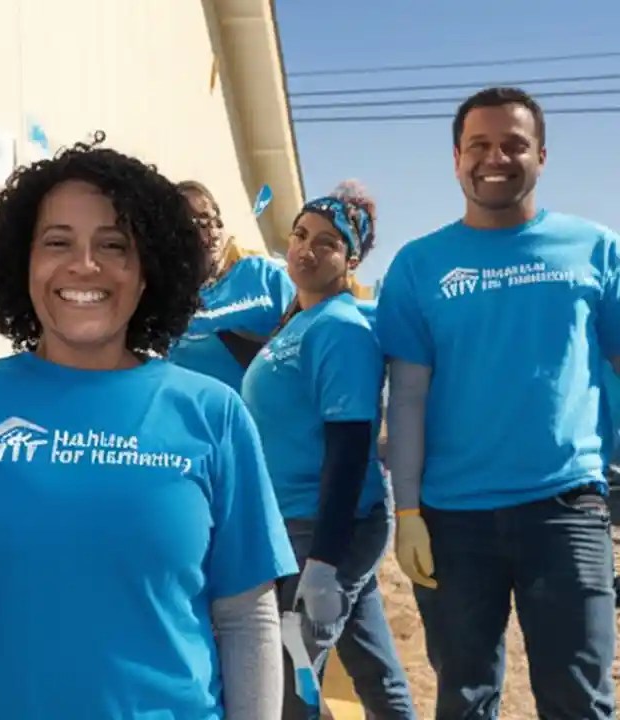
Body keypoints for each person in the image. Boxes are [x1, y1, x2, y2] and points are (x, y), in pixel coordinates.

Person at [0, 134, 298, 720]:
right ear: (22, 261)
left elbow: (246, 617)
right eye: (58, 242)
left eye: (114, 245)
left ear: (148, 268)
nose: (85, 265)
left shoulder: (214, 414)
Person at [381, 86, 619, 718]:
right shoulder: (418, 265)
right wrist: (407, 511)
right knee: (464, 696)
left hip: (566, 510)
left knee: (579, 697)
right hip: (452, 520)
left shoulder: (595, 248)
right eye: (479, 145)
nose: (497, 158)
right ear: (456, 157)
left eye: (515, 144)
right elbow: (407, 395)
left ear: (542, 155)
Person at [240, 182, 415, 719]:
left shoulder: (339, 328)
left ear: (352, 258)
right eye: (299, 235)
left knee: (291, 682)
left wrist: (324, 563)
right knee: (371, 669)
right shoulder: (298, 323)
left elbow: (349, 445)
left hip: (325, 531)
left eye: (328, 242)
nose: (306, 249)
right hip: (296, 528)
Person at [168, 181, 294, 389]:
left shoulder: (261, 277)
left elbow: (309, 347)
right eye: (198, 222)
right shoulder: (166, 308)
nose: (213, 231)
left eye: (215, 220)